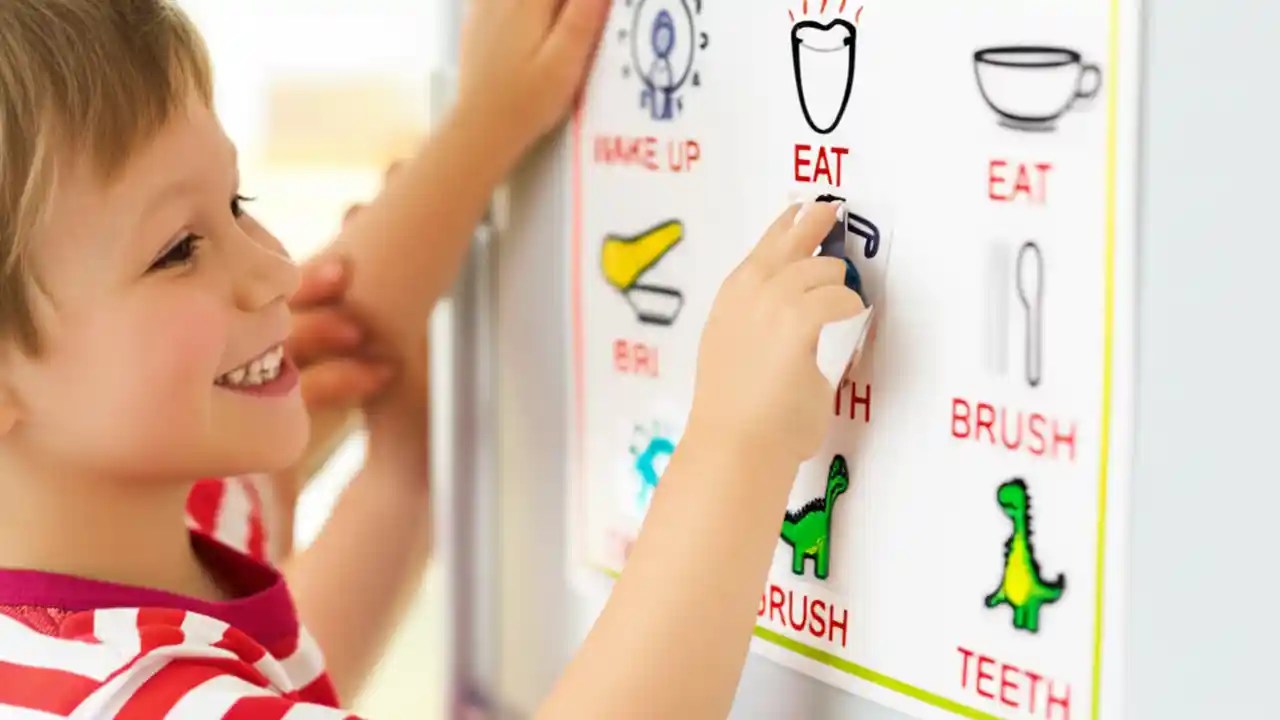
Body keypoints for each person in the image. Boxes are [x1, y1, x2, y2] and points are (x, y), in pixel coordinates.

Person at [0, 3, 866, 719]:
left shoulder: (121, 531)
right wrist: (734, 445)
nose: (275, 269)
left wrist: (488, 121)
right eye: (180, 248)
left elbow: (350, 322)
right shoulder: (124, 700)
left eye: (237, 202)